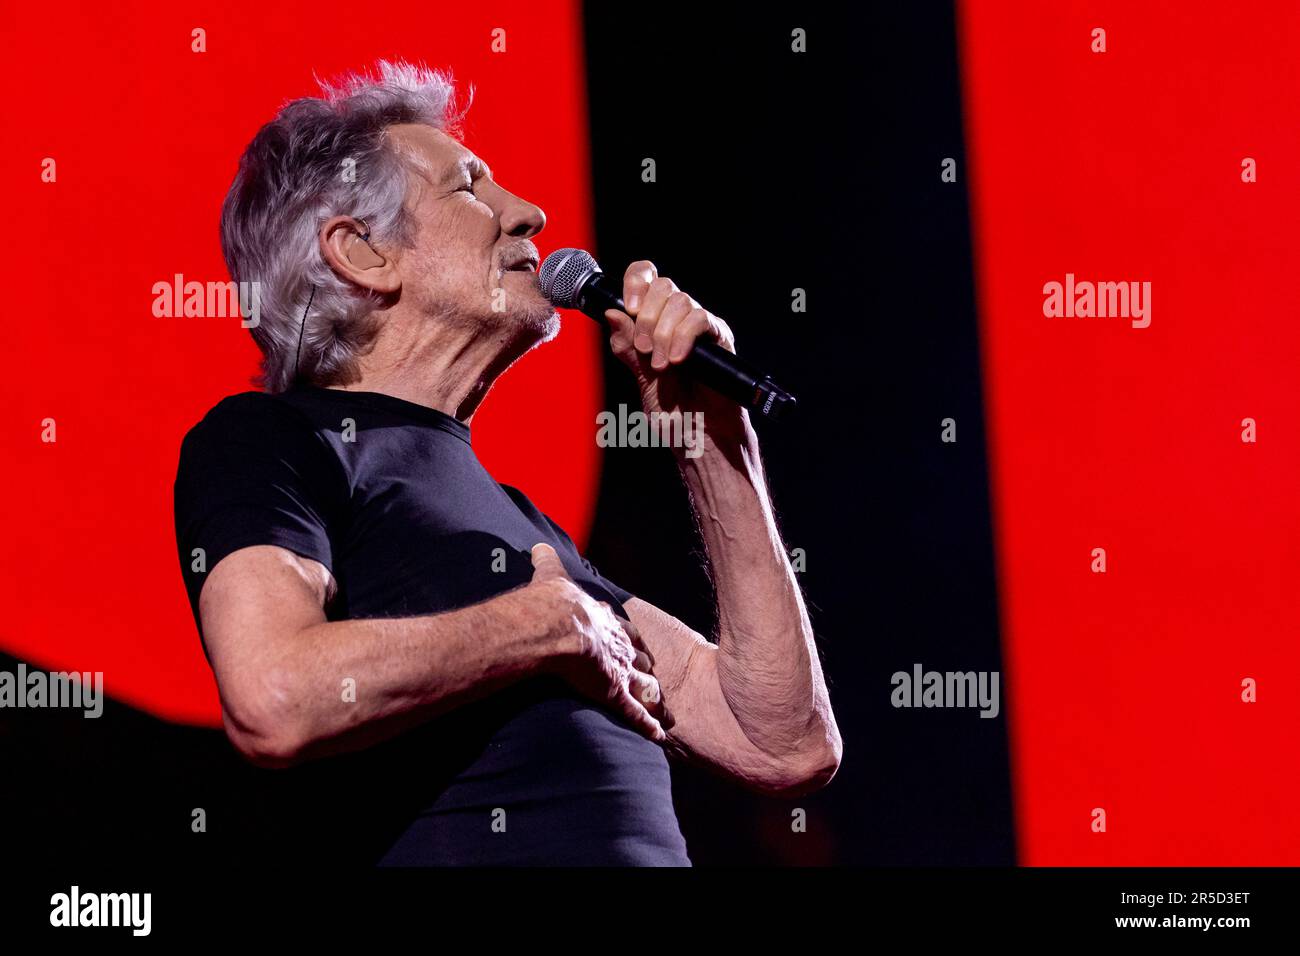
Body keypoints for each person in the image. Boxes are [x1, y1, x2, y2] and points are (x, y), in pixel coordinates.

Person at [173, 59, 840, 865]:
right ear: (361, 253)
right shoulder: (270, 442)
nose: (528, 214)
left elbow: (781, 742)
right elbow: (274, 697)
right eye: (468, 189)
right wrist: (540, 626)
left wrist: (713, 439)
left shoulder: (527, 528)